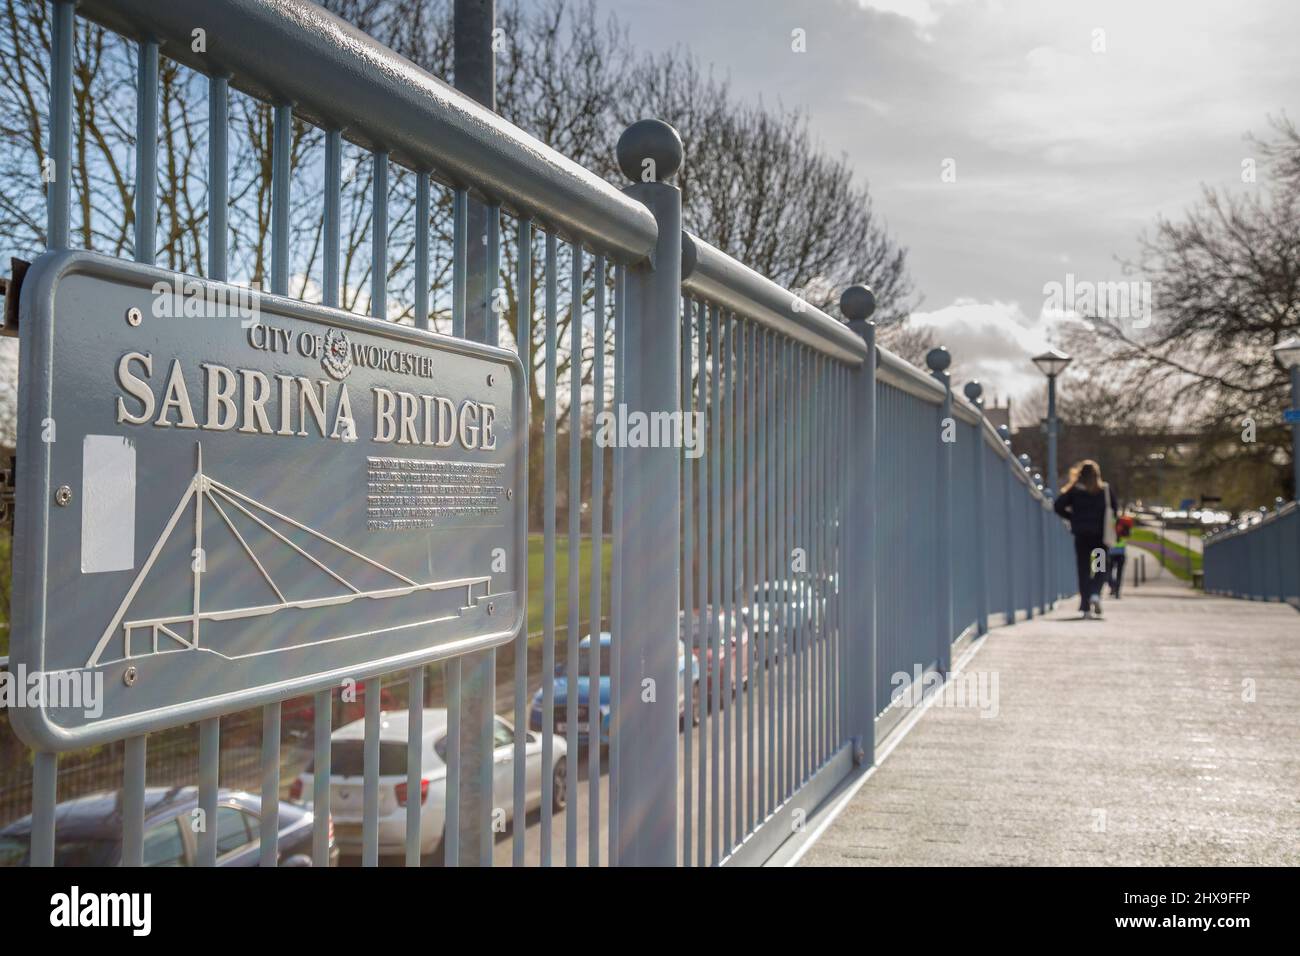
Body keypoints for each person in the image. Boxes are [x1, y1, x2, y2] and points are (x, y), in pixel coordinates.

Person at [1053, 459, 1119, 619]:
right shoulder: (1104, 490)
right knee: (1100, 567)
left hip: (1082, 536)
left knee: (1083, 569)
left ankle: (1085, 605)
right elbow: (1115, 510)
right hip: (1099, 537)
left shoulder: (1075, 490)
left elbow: (1058, 505)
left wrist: (1073, 518)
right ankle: (1095, 593)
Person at [1108, 512, 1134, 598]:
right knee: (1119, 573)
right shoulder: (1124, 524)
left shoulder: (1110, 522)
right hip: (1121, 553)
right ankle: (1117, 591)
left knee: (1108, 573)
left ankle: (1113, 587)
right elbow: (1130, 534)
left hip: (1111, 552)